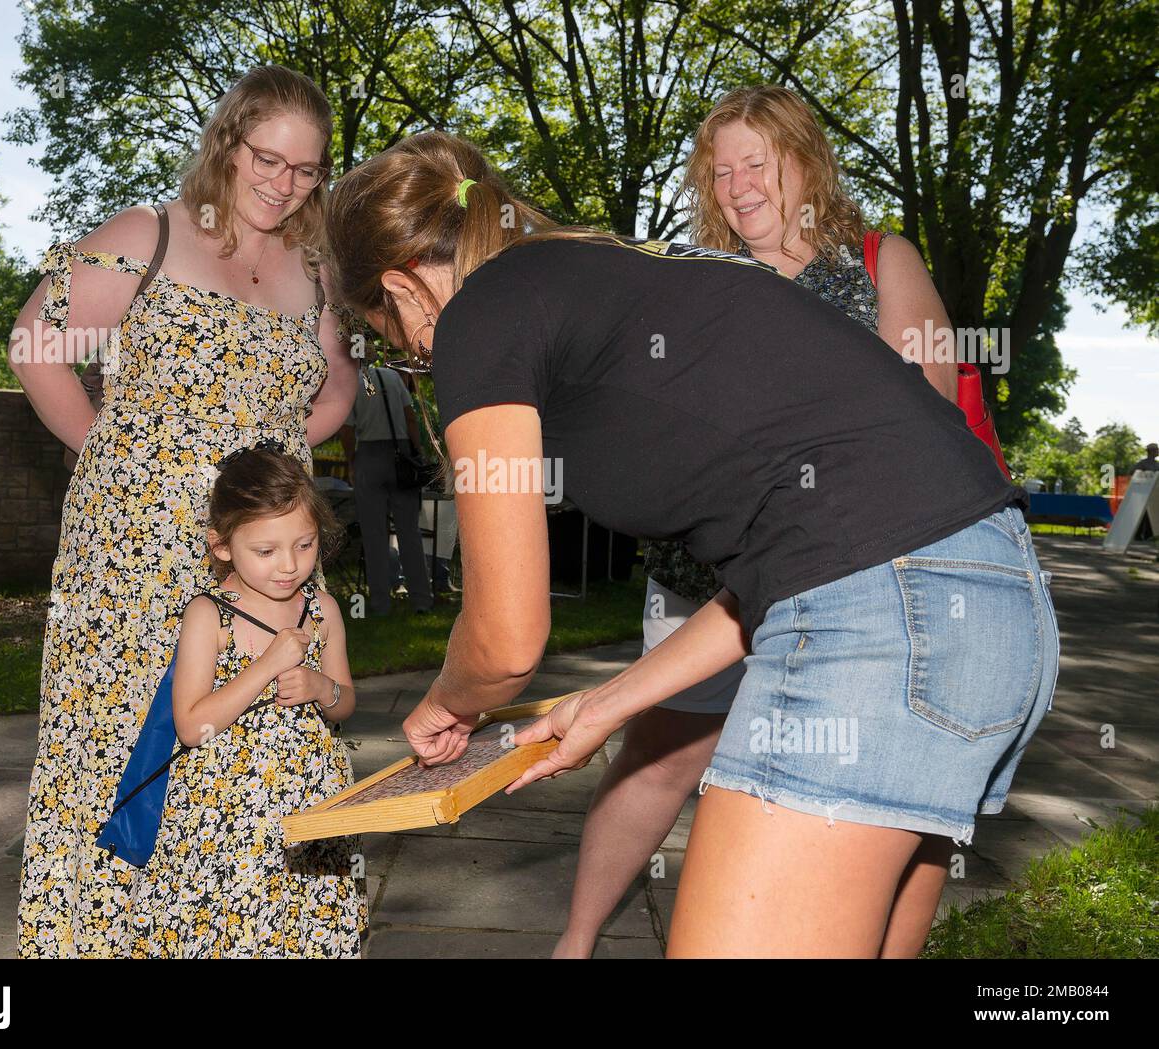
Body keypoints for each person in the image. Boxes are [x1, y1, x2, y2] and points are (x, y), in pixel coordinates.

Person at [325, 130, 1059, 958]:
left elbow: (504, 638)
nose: (418, 358)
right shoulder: (632, 271)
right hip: (993, 608)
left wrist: (446, 703)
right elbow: (785, 563)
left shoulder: (480, 311)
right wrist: (603, 705)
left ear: (401, 287)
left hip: (881, 620)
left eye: (397, 341)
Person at [559, 84, 964, 959]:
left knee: (902, 791)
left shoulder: (878, 259)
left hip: (850, 580)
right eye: (721, 168)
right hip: (710, 579)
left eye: (758, 162)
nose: (738, 184)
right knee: (658, 756)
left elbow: (932, 417)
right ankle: (577, 942)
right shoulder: (691, 280)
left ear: (804, 160)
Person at [10, 66, 361, 957]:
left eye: (306, 170)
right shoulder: (148, 234)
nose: (284, 184)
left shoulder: (315, 272)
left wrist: (280, 456)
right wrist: (111, 455)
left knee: (246, 768)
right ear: (227, 142)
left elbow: (334, 395)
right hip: (129, 559)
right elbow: (35, 345)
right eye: (266, 158)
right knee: (117, 765)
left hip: (257, 559)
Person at [124, 446, 367, 957]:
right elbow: (191, 725)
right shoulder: (209, 616)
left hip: (310, 805)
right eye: (266, 551)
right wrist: (267, 667)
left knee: (307, 929)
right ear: (222, 546)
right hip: (222, 818)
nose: (289, 565)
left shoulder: (322, 611)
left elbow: (345, 704)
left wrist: (324, 688)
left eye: (304, 545)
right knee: (230, 935)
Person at [339, 364, 434, 615]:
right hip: (400, 454)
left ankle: (381, 603)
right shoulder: (393, 377)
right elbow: (410, 417)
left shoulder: (353, 382)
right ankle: (421, 600)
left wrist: (352, 461)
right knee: (410, 533)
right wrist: (417, 452)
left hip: (368, 457)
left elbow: (347, 429)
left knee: (374, 536)